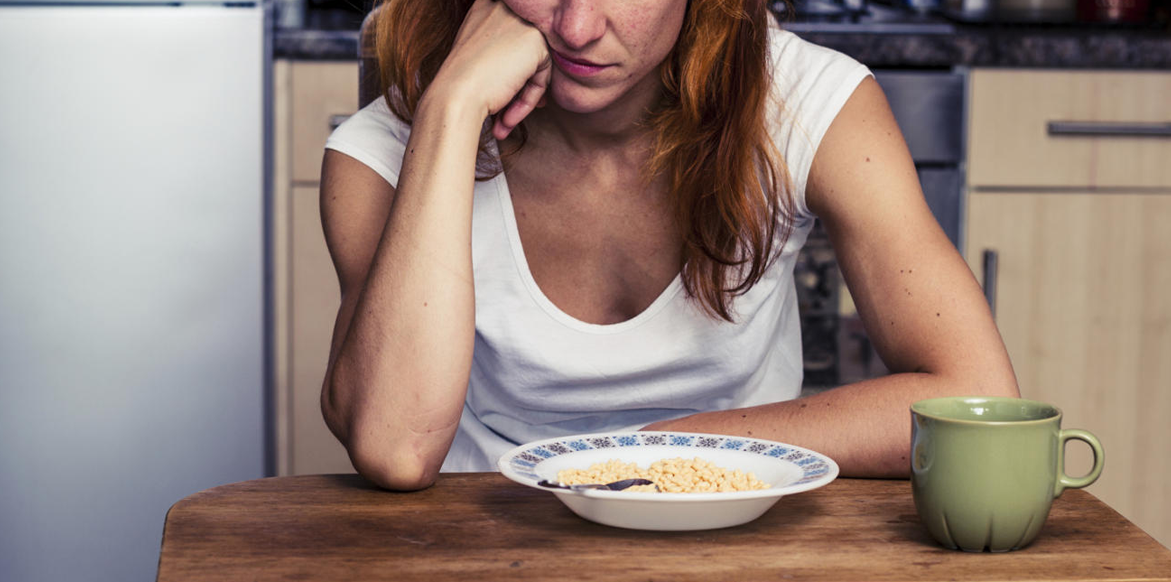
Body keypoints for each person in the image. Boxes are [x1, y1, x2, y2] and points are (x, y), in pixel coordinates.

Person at [318, 0, 1019, 491]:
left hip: (733, 518)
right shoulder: (378, 153)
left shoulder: (805, 101)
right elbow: (395, 450)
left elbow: (975, 396)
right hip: (479, 539)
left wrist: (660, 451)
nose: (578, 26)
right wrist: (450, 108)